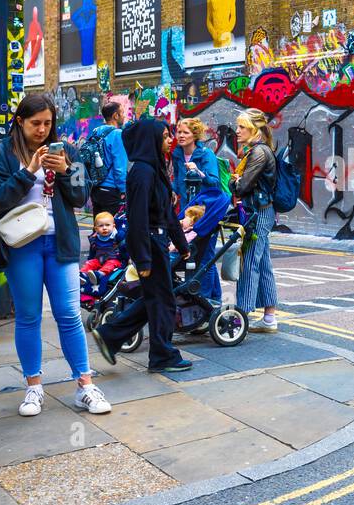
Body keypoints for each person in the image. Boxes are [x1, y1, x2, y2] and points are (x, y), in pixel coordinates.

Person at [0, 93, 109, 418]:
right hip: (22, 243)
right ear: (20, 121)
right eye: (35, 123)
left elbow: (81, 197)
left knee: (68, 315)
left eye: (47, 123)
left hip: (61, 242)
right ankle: (34, 387)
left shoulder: (69, 151)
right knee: (28, 317)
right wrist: (29, 171)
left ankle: (84, 385)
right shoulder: (0, 155)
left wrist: (66, 169)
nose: (42, 130)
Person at [91, 119, 192, 373]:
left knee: (154, 299)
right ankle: (161, 355)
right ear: (152, 139)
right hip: (150, 243)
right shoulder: (142, 172)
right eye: (166, 135)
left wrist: (181, 245)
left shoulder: (154, 169)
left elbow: (167, 213)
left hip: (157, 241)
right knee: (163, 301)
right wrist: (143, 258)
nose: (170, 140)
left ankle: (110, 335)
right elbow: (137, 219)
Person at [230, 108, 279, 333]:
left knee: (249, 262)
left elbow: (241, 187)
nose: (237, 130)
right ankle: (269, 318)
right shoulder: (256, 151)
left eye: (242, 127)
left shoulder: (259, 153)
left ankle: (241, 315)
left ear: (254, 129)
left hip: (258, 213)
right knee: (263, 263)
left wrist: (234, 182)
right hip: (261, 211)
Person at [172, 116, 228, 306]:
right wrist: (173, 191)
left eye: (185, 132)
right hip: (187, 211)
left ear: (194, 135)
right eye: (178, 132)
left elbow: (215, 183)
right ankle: (210, 300)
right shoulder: (178, 153)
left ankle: (207, 300)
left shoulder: (206, 155)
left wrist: (198, 172)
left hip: (205, 211)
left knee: (206, 256)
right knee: (193, 255)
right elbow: (178, 178)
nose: (180, 135)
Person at [88, 101, 128, 216]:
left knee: (99, 226)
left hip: (95, 187)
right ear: (115, 115)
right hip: (111, 189)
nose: (124, 116)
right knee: (112, 228)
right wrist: (123, 189)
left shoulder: (96, 131)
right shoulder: (118, 134)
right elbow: (119, 166)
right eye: (122, 113)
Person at [81, 211, 126, 300]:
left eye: (107, 225)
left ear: (113, 226)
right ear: (96, 229)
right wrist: (90, 260)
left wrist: (127, 259)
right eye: (101, 226)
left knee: (110, 264)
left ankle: (99, 275)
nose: (104, 228)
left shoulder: (117, 236)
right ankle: (83, 274)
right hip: (99, 260)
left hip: (113, 259)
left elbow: (124, 248)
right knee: (90, 263)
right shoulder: (94, 238)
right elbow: (92, 252)